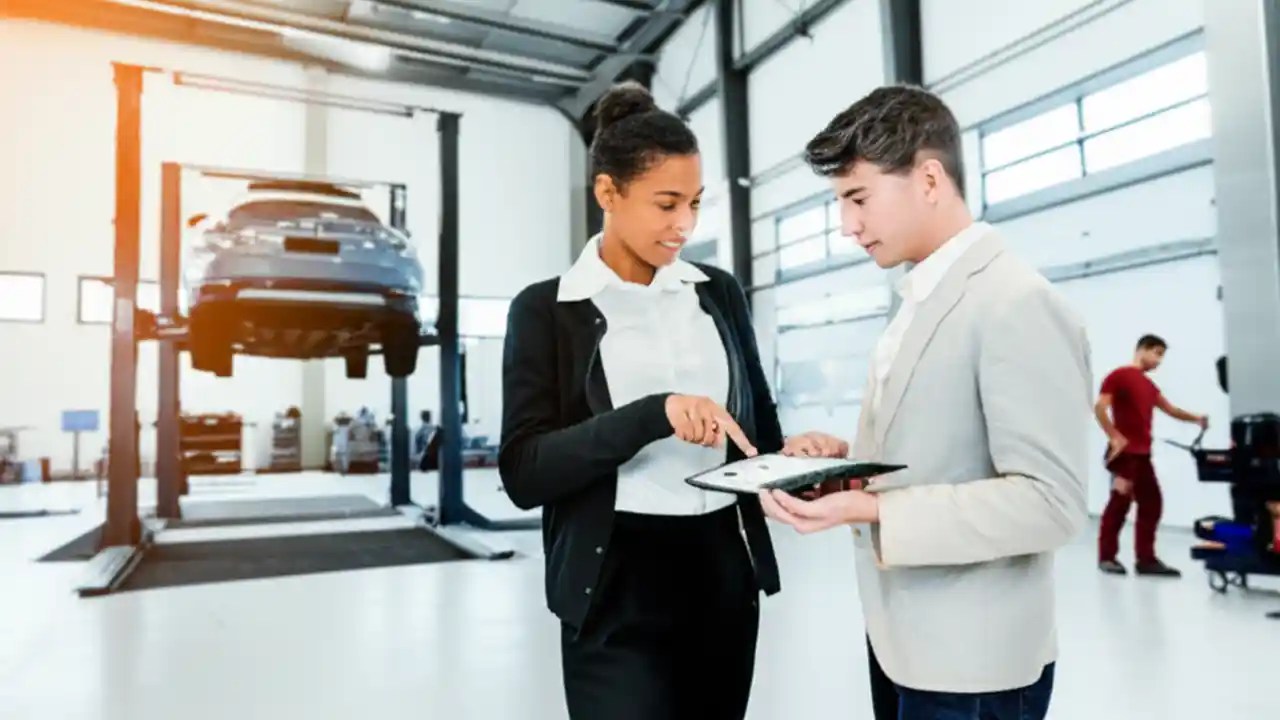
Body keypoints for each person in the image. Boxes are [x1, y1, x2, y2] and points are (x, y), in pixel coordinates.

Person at [498, 81, 845, 720]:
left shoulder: (718, 292)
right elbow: (524, 471)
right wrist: (649, 415)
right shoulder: (547, 311)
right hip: (613, 583)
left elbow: (757, 432)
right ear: (608, 193)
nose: (684, 224)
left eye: (694, 203)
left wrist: (796, 456)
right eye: (665, 204)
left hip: (721, 573)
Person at [757, 85, 1092, 720]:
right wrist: (848, 464)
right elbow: (946, 452)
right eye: (839, 202)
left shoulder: (1014, 303)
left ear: (930, 179)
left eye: (858, 198)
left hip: (976, 667)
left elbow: (1052, 504)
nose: (847, 224)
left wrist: (876, 511)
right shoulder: (921, 296)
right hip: (908, 645)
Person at [1095, 334, 1208, 577]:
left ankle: (1145, 560)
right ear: (1142, 349)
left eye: (1162, 356)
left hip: (1143, 456)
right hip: (1125, 455)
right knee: (1119, 504)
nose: (1159, 361)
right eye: (1157, 353)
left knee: (1152, 504)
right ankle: (1107, 557)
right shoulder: (1119, 376)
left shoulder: (1149, 386)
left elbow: (1171, 409)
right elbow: (1100, 407)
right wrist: (1114, 436)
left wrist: (1197, 418)